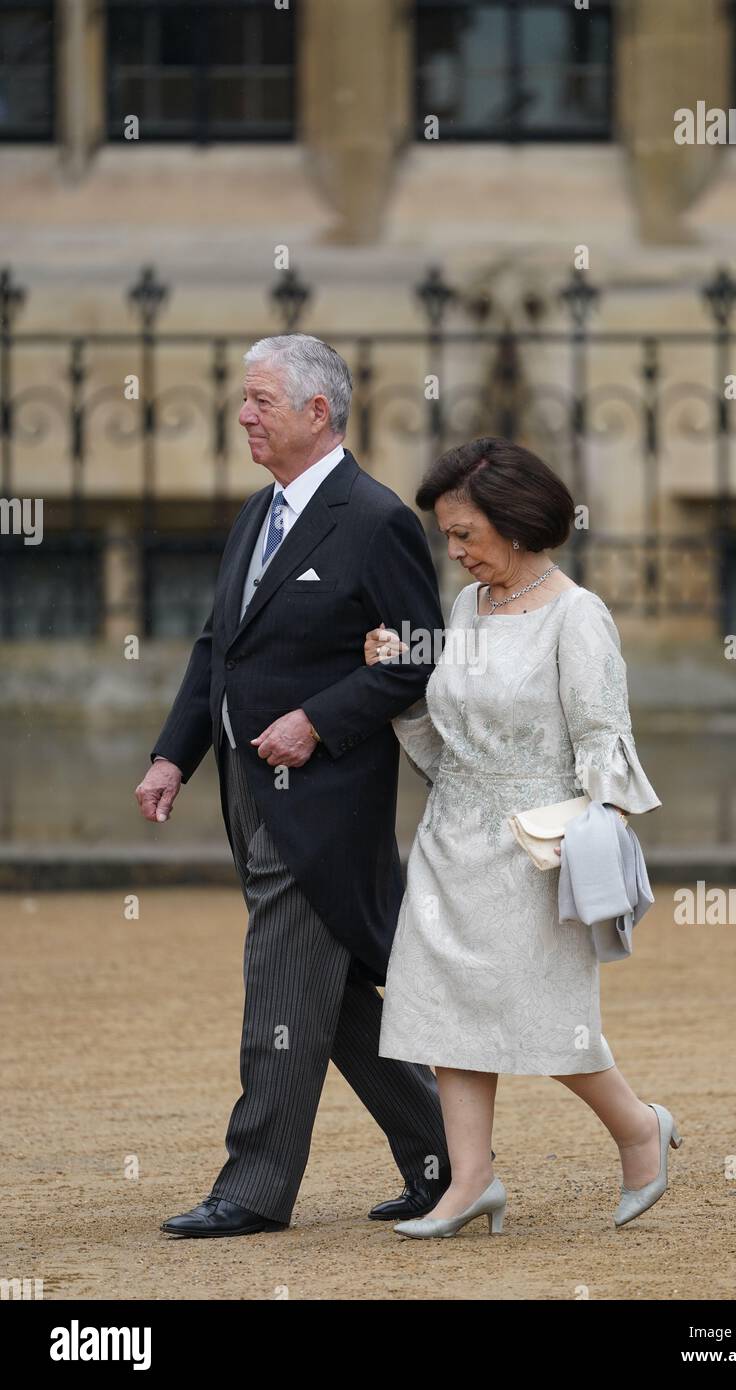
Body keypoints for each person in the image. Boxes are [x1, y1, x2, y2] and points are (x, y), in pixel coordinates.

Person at [134, 333, 452, 1237]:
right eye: (244, 399)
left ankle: (253, 1188)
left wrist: (318, 720)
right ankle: (447, 1161)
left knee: (279, 987)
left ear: (319, 411)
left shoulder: (376, 517)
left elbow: (420, 656)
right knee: (332, 995)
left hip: (325, 807)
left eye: (261, 400)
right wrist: (172, 755)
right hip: (248, 795)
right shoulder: (256, 513)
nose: (243, 415)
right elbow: (216, 650)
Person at [365, 436, 681, 1239]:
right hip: (448, 842)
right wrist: (399, 685)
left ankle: (640, 1129)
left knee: (549, 1019)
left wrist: (601, 835)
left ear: (517, 522)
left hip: (538, 848)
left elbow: (604, 737)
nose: (456, 550)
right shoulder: (468, 607)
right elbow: (451, 743)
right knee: (444, 1012)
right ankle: (471, 1181)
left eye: (467, 533)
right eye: (448, 535)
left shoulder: (578, 616)